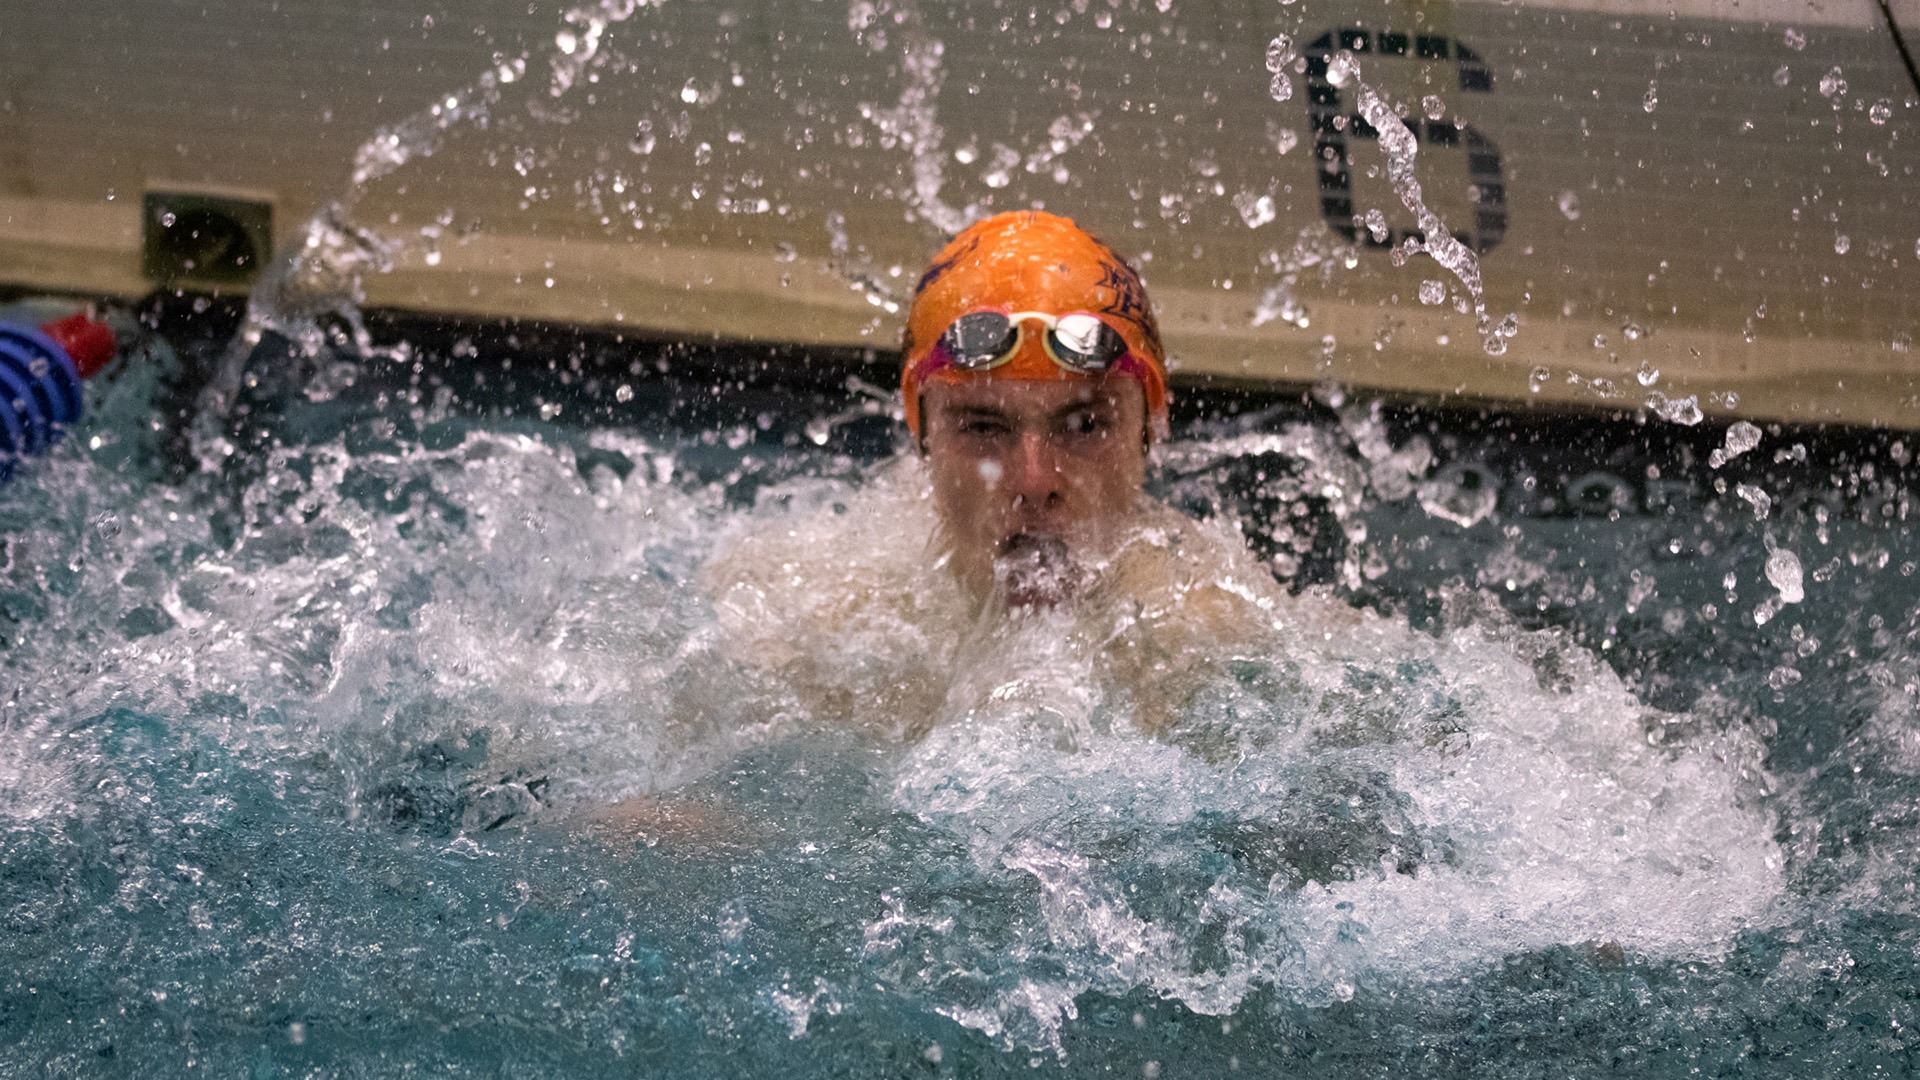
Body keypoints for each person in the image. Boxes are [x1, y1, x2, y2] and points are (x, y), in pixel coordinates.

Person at [698, 210, 1357, 743]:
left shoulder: (1214, 642)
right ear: (919, 430)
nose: (1035, 480)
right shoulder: (814, 623)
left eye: (1084, 425)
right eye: (984, 427)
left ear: (1152, 424)